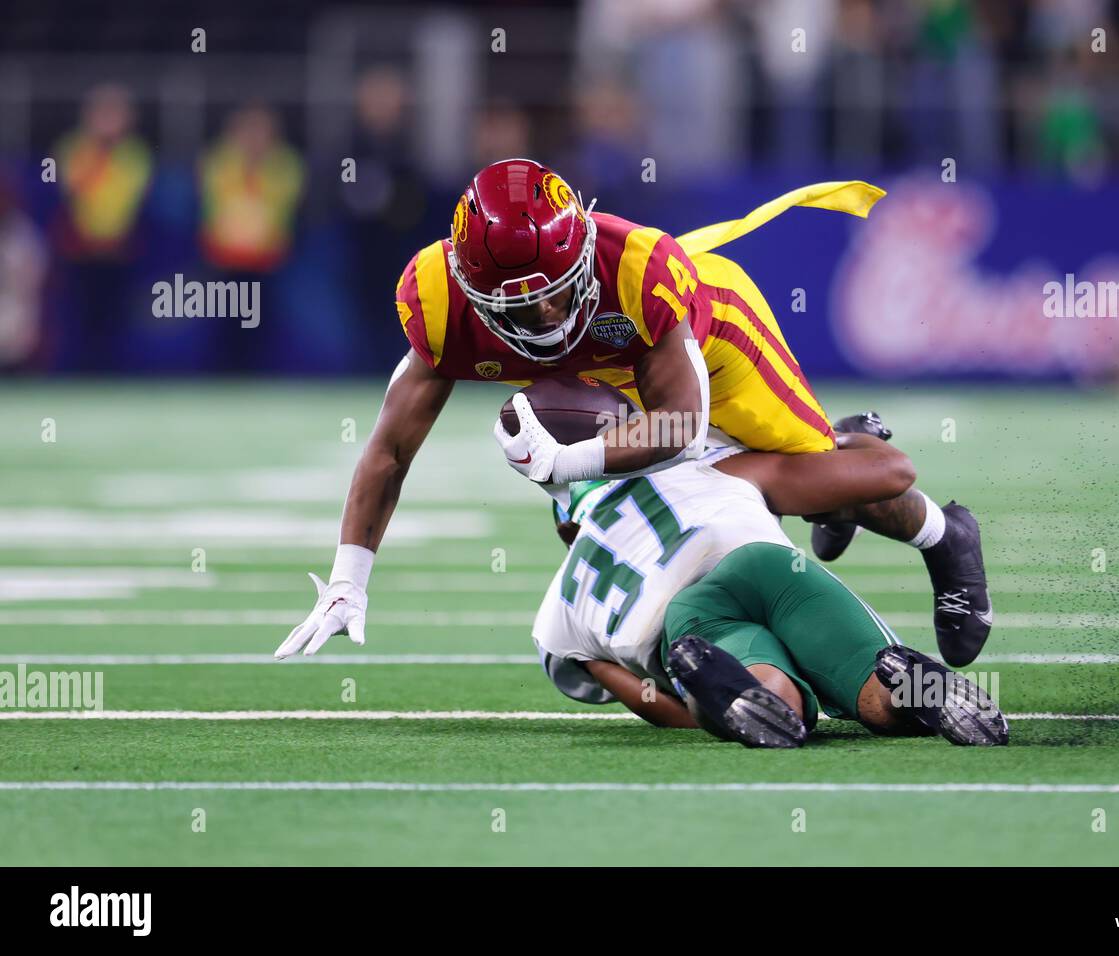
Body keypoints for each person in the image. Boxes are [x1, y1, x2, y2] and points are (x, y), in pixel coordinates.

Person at [275, 159, 990, 668]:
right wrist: (348, 578)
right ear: (475, 296)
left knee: (813, 474)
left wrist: (566, 461)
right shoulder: (440, 307)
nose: (552, 312)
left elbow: (681, 425)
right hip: (608, 393)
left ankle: (942, 532)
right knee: (594, 525)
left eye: (560, 289)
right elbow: (390, 451)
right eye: (527, 305)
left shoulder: (638, 272)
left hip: (708, 348)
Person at [529, 433, 1007, 748]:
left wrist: (705, 713)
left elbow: (650, 702)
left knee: (769, 697)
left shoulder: (557, 618)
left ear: (570, 528)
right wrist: (845, 436)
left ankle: (748, 694)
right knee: (874, 685)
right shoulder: (692, 465)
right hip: (763, 563)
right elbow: (890, 472)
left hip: (689, 616)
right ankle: (918, 689)